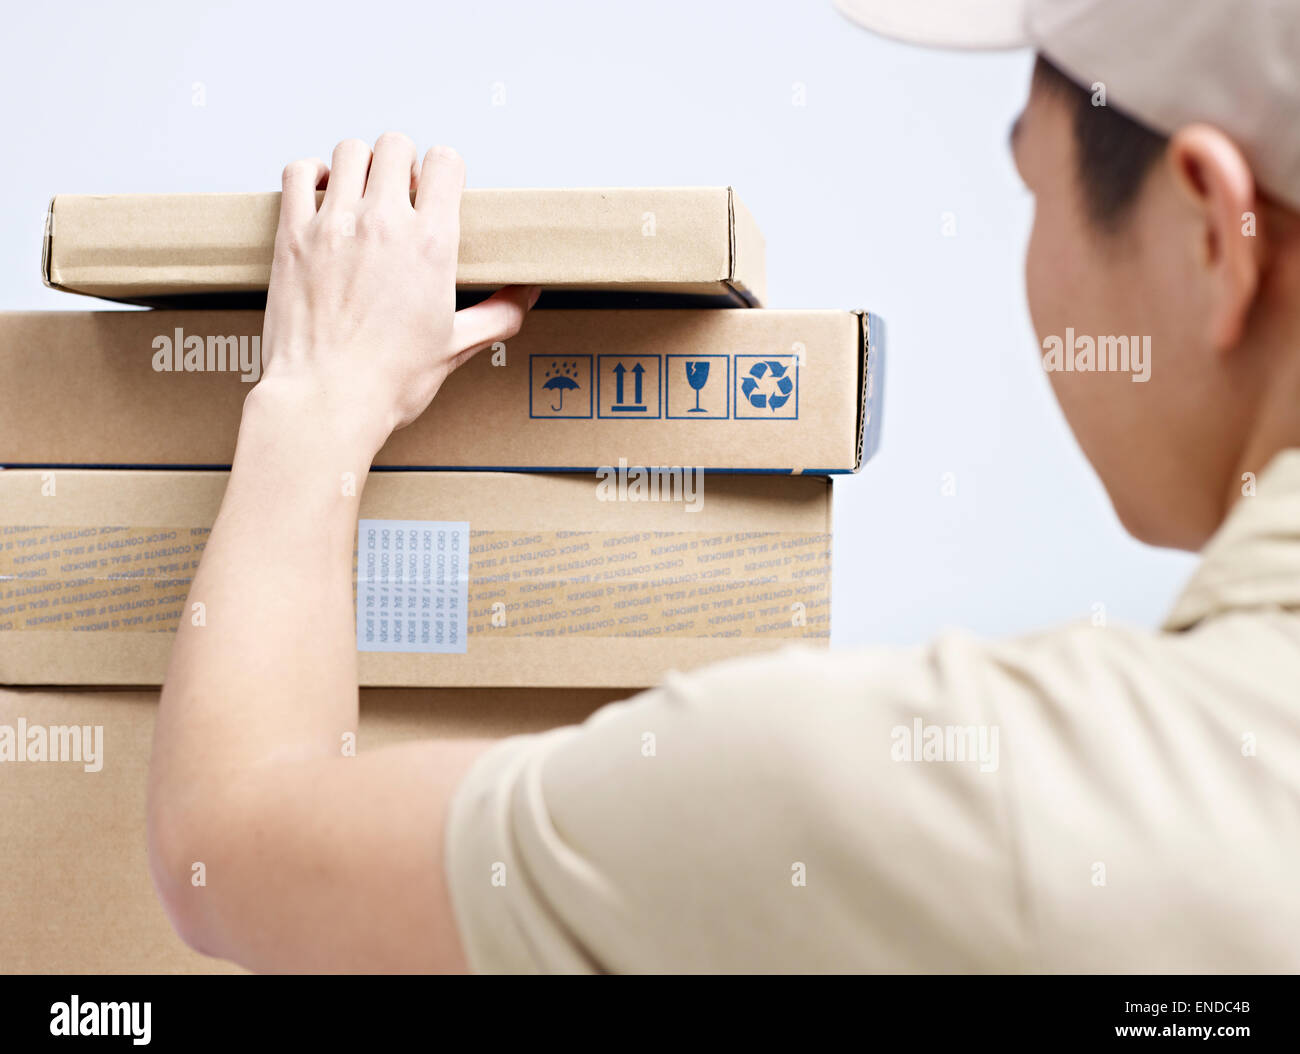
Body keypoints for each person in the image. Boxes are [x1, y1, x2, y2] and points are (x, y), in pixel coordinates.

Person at [146, 0, 1300, 973]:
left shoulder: (934, 793)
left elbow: (226, 841)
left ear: (1215, 235)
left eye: (1029, 186)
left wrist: (315, 397)